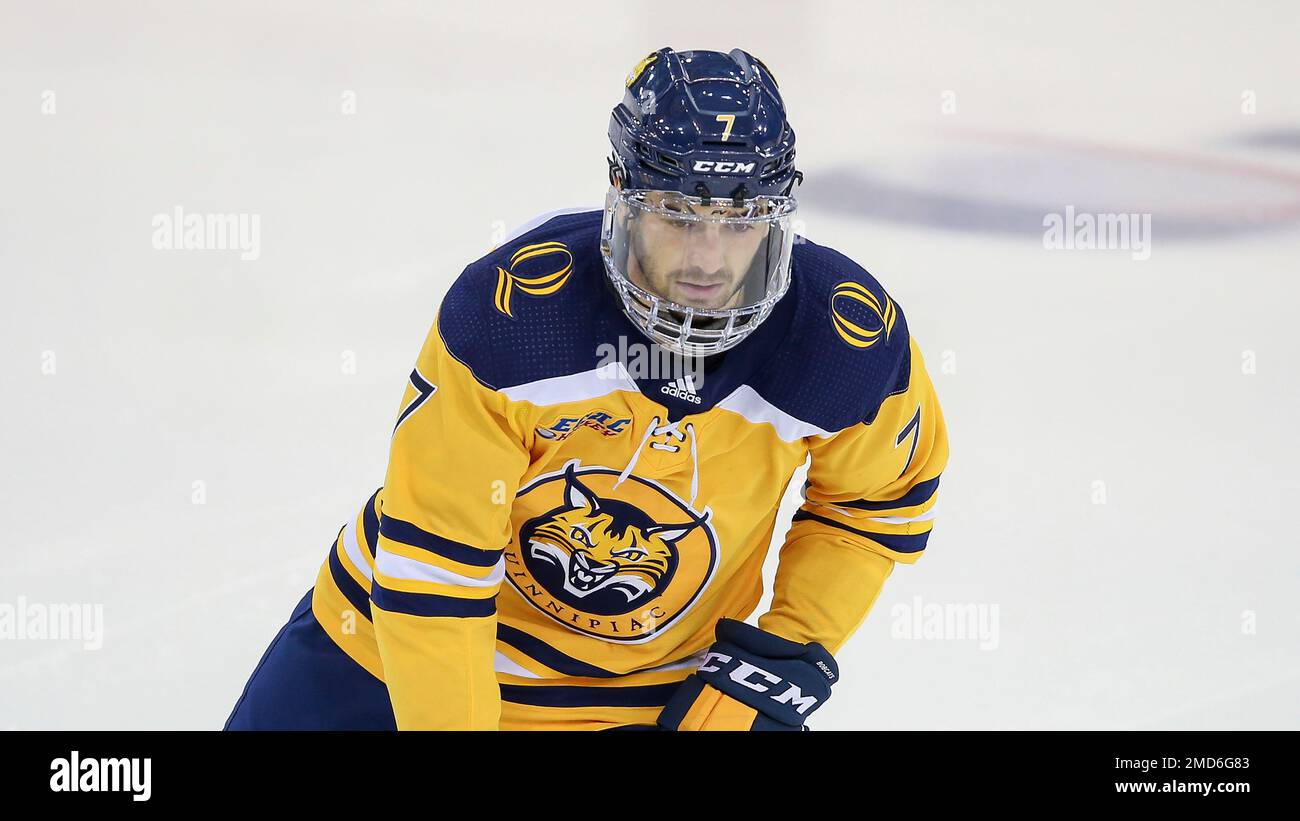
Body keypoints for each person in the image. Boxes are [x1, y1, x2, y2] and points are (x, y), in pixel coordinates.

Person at [225, 46, 949, 731]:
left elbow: (881, 499)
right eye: (676, 212)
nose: (706, 257)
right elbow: (436, 574)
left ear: (777, 219)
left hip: (640, 697)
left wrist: (783, 653)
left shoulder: (843, 343)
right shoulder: (515, 317)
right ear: (623, 198)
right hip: (384, 660)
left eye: (737, 220)